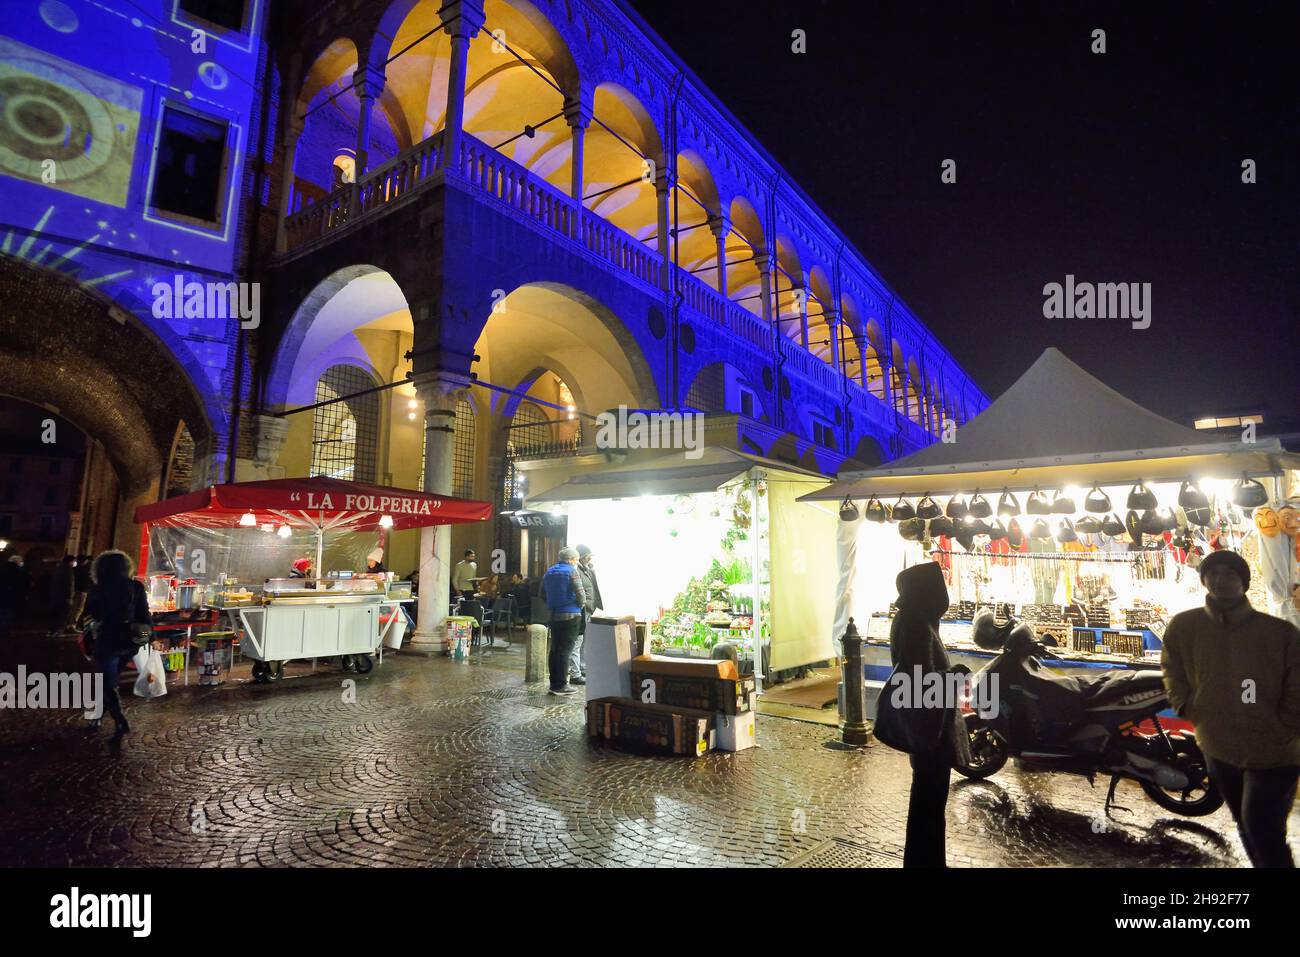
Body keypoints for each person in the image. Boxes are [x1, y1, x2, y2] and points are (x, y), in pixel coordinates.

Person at [1161, 549, 1300, 868]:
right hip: (1217, 744)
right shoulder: (1184, 626)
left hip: (1274, 751)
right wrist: (1185, 704)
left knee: (1262, 828)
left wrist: (1286, 725)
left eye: (1230, 573)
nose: (1220, 580)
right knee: (1244, 823)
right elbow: (1172, 668)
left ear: (1244, 582)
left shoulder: (1279, 633)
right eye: (1213, 573)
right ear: (1203, 579)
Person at [889, 561, 970, 868]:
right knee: (929, 803)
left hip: (927, 727)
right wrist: (955, 674)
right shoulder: (915, 624)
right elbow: (920, 680)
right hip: (930, 729)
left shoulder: (913, 619)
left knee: (929, 804)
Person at [84, 550, 152, 740]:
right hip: (130, 642)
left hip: (108, 640)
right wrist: (148, 638)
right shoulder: (136, 586)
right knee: (109, 681)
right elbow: (144, 615)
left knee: (108, 683)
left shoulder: (98, 589)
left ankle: (120, 720)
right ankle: (97, 717)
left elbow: (92, 614)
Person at [541, 547, 587, 695]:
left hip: (553, 616)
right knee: (565, 651)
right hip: (571, 616)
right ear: (571, 559)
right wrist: (578, 605)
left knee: (555, 649)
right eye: (576, 560)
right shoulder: (572, 571)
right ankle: (560, 685)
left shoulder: (549, 571)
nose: (577, 562)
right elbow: (581, 595)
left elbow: (542, 593)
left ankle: (553, 683)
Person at [571, 545, 604, 683]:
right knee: (578, 641)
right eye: (588, 556)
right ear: (582, 556)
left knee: (586, 640)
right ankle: (575, 672)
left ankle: (583, 667)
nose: (590, 558)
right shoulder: (576, 570)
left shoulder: (587, 569)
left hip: (589, 609)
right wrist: (583, 604)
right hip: (582, 610)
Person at [0, 554, 28, 639]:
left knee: (3, 614)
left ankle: (3, 631)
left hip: (3, 595)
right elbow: (21, 585)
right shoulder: (17, 571)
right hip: (11, 596)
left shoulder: (3, 569)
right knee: (8, 615)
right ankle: (5, 632)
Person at [48, 555, 75, 636]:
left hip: (56, 595)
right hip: (64, 596)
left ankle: (52, 630)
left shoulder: (59, 568)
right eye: (73, 561)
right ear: (70, 561)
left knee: (55, 613)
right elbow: (69, 584)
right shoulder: (68, 570)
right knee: (63, 614)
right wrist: (70, 597)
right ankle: (58, 631)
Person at [66, 554, 92, 632]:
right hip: (82, 590)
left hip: (75, 590)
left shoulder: (74, 569)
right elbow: (89, 580)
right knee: (79, 608)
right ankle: (72, 625)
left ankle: (69, 624)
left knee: (73, 608)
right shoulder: (85, 570)